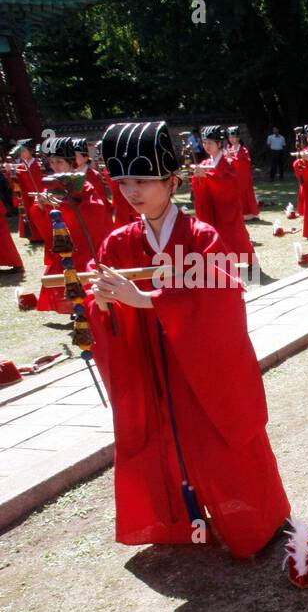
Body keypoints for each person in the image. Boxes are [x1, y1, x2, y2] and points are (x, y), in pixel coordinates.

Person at [86, 121, 290, 558]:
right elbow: (98, 299)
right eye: (123, 182)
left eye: (142, 180)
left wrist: (146, 300)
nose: (132, 191)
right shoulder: (118, 242)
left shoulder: (200, 237)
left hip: (203, 365)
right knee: (161, 440)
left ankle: (258, 520)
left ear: (172, 182)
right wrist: (102, 302)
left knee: (221, 441)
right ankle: (182, 520)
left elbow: (221, 298)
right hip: (151, 366)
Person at [31, 136, 112, 312]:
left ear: (71, 162)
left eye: (59, 161)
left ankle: (89, 305)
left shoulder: (84, 183)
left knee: (85, 272)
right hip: (65, 238)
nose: (54, 166)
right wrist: (42, 205)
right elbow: (40, 213)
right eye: (51, 162)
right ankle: (74, 308)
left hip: (84, 240)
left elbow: (96, 210)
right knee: (65, 271)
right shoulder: (52, 184)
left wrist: (64, 205)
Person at [191, 126, 257, 264]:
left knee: (235, 234)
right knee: (216, 234)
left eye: (210, 143)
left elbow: (230, 183)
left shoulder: (228, 162)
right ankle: (221, 262)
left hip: (228, 206)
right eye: (204, 142)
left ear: (219, 144)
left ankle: (249, 260)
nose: (207, 146)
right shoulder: (205, 163)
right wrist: (198, 178)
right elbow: (200, 185)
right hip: (212, 206)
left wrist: (207, 177)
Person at [226, 126, 260, 219]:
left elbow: (246, 162)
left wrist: (232, 158)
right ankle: (239, 214)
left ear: (238, 138)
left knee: (246, 194)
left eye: (234, 137)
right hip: (234, 177)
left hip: (244, 177)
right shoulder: (229, 150)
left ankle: (250, 214)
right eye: (230, 137)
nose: (232, 139)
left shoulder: (243, 150)